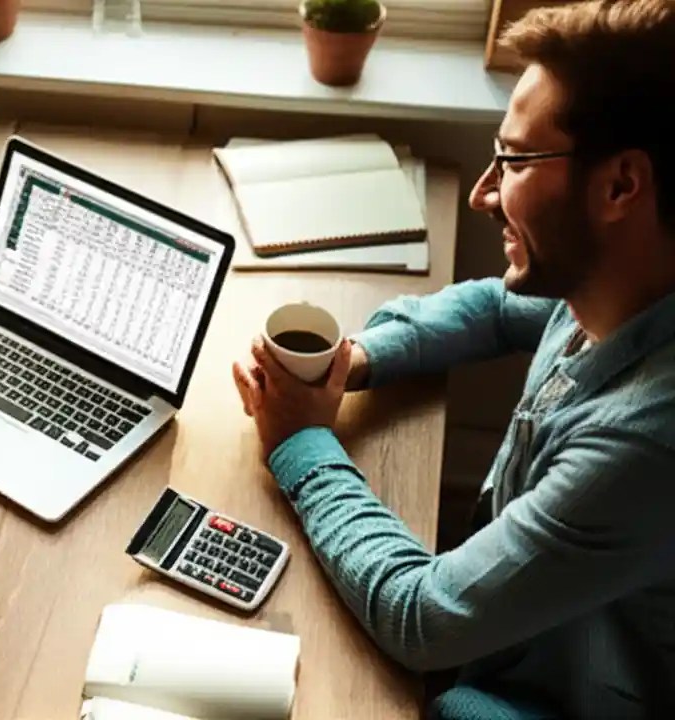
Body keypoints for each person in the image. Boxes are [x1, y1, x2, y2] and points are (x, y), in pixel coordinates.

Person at [233, 0, 675, 716]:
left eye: (515, 161)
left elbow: (423, 617)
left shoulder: (647, 441)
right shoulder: (623, 286)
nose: (483, 193)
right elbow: (496, 309)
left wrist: (300, 442)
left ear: (621, 185)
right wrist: (356, 359)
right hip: (519, 644)